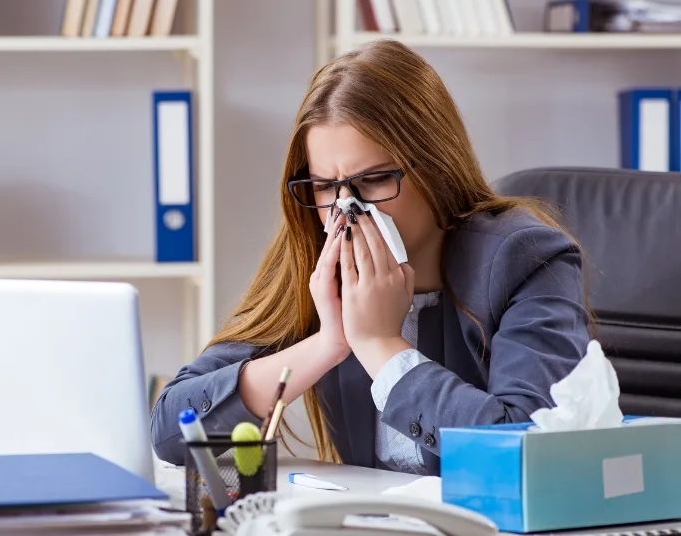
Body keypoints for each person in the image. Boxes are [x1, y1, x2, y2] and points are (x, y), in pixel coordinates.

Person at [150, 39, 591, 476]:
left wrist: (381, 346)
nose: (346, 209)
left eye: (374, 180)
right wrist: (328, 344)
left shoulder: (527, 258)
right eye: (324, 187)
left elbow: (527, 455)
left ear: (436, 168)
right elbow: (172, 429)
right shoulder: (315, 253)